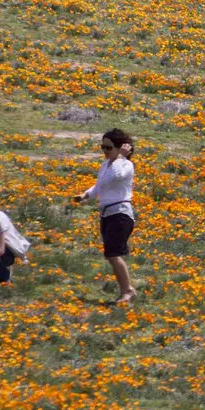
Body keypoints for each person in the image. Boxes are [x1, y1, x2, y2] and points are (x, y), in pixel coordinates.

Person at [73, 129, 137, 304]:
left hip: (121, 213)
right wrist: (86, 195)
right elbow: (101, 184)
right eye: (103, 147)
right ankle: (126, 289)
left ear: (120, 148)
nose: (105, 151)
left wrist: (121, 158)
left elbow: (115, 177)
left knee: (113, 254)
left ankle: (128, 291)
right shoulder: (106, 164)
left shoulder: (125, 165)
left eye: (108, 148)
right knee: (111, 255)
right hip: (107, 213)